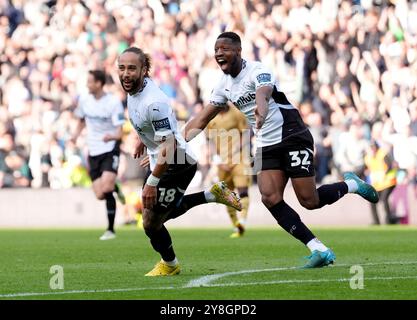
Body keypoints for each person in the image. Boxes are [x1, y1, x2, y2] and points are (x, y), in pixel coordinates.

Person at [184, 32, 379, 268]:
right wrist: (175, 141)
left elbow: (263, 92)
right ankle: (318, 249)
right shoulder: (223, 86)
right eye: (216, 50)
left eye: (224, 49)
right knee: (270, 197)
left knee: (309, 200)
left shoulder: (257, 70)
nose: (218, 54)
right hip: (265, 143)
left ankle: (353, 185)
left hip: (292, 135)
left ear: (238, 51)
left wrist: (262, 109)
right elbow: (201, 120)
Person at [117, 47, 242, 276]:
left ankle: (170, 265)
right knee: (158, 213)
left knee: (150, 223)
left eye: (132, 68)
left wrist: (152, 181)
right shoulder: (133, 89)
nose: (126, 73)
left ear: (144, 70)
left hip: (176, 161)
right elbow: (153, 128)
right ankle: (211, 195)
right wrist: (142, 138)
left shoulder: (153, 102)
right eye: (122, 68)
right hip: (163, 157)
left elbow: (170, 145)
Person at [73, 70, 126, 241]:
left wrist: (113, 136)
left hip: (110, 148)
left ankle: (110, 229)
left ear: (99, 83)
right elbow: (81, 120)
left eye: (90, 82)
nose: (87, 85)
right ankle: (116, 187)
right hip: (93, 150)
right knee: (100, 194)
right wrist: (75, 135)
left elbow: (120, 131)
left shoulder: (113, 102)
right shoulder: (84, 100)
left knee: (106, 188)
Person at [206, 102, 251, 238]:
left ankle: (242, 220)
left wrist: (237, 151)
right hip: (222, 163)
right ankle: (236, 225)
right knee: (227, 195)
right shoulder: (211, 117)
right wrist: (216, 158)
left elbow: (246, 134)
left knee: (243, 190)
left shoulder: (237, 113)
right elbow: (210, 140)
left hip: (239, 159)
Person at [364, 141, 398, 225]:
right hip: (378, 184)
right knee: (372, 200)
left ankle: (389, 219)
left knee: (384, 199)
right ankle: (376, 221)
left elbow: (390, 166)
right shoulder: (367, 157)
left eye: (373, 147)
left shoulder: (382, 154)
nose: (372, 150)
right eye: (371, 148)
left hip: (388, 181)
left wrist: (383, 173)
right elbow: (365, 169)